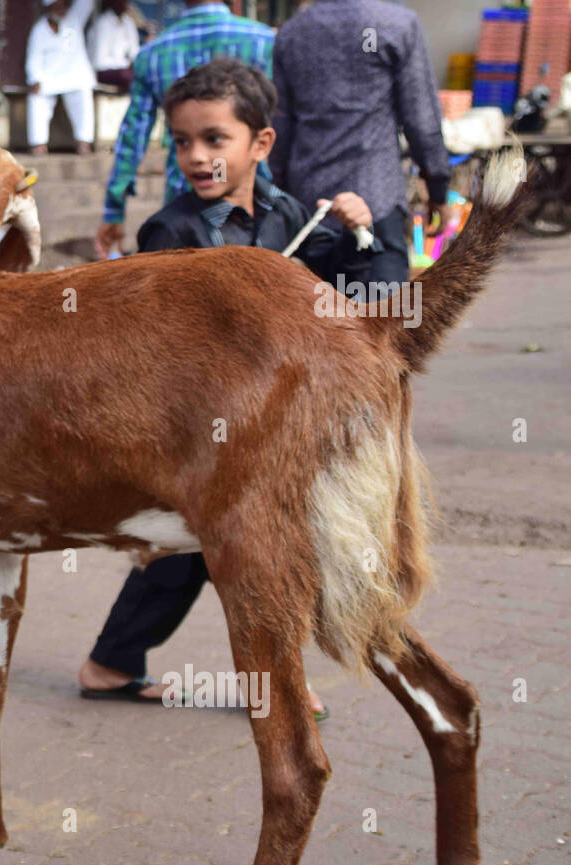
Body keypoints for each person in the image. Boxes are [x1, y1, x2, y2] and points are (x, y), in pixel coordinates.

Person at [79, 60, 383, 718]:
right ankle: (274, 682)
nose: (196, 156)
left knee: (195, 555)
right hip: (200, 429)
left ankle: (111, 662)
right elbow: (158, 344)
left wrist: (357, 229)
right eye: (182, 142)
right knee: (244, 553)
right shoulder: (172, 232)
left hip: (270, 422)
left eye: (215, 139)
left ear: (260, 144)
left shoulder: (291, 213)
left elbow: (333, 286)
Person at [272, 0, 453, 285]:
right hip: (376, 198)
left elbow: (280, 129)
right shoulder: (398, 24)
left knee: (317, 319)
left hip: (309, 207)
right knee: (380, 319)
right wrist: (438, 189)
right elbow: (421, 119)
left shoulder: (292, 34)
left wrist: (281, 201)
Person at [95, 0, 273, 258]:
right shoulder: (263, 42)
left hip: (183, 199)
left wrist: (114, 209)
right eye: (183, 140)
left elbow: (132, 137)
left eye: (215, 138)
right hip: (252, 203)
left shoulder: (152, 53)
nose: (201, 154)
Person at [27, 0, 97, 155]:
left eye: (63, 5)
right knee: (36, 98)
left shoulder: (75, 19)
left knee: (84, 95)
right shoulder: (39, 30)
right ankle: (39, 144)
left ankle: (83, 142)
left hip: (76, 75)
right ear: (48, 8)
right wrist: (34, 79)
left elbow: (87, 3)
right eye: (57, 6)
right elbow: (33, 59)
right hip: (49, 78)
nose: (62, 10)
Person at [87, 0, 141, 89]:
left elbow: (134, 53)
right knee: (129, 77)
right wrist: (126, 64)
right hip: (103, 72)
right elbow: (100, 62)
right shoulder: (102, 23)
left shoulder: (128, 22)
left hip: (123, 69)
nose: (125, 4)